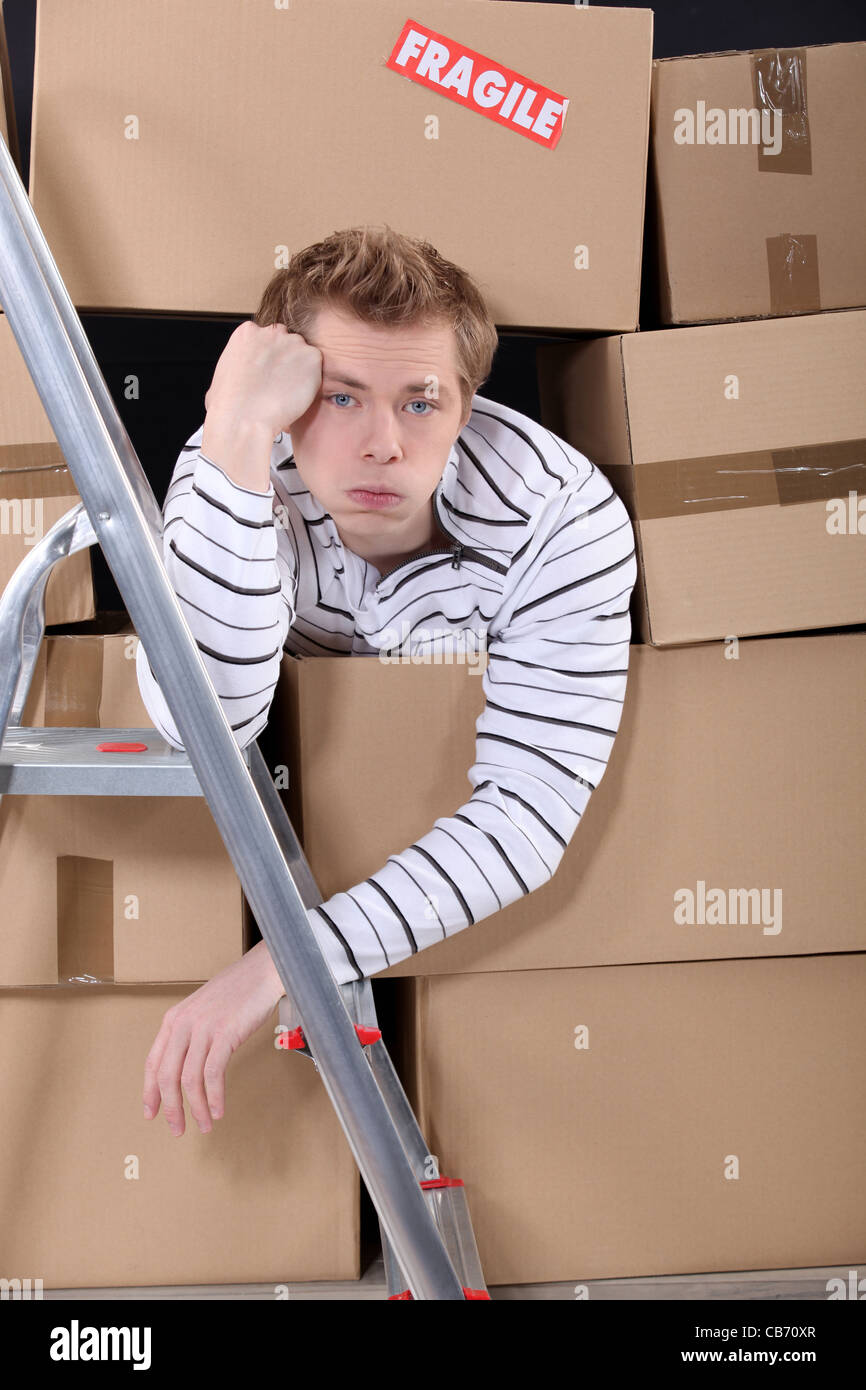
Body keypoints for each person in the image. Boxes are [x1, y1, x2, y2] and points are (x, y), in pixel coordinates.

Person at [138, 225, 638, 1137]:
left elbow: (527, 819)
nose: (380, 446)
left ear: (466, 406)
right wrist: (238, 434)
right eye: (340, 397)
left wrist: (282, 961)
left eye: (419, 403)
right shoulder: (236, 463)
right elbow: (203, 723)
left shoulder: (561, 518)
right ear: (286, 394)